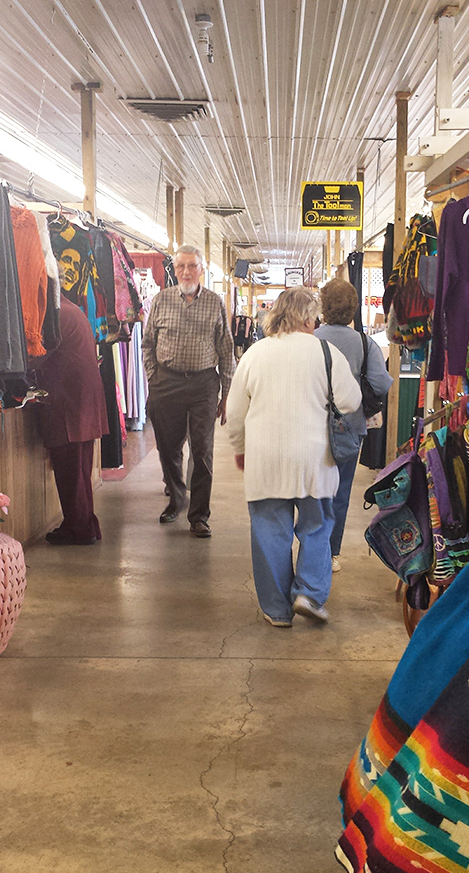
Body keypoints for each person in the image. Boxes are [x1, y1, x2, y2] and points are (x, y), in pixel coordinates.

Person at [226, 287, 361, 626]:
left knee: (270, 530)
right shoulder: (327, 353)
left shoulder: (256, 353)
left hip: (265, 457)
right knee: (317, 526)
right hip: (315, 458)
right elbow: (351, 401)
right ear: (306, 317)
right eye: (314, 317)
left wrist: (241, 448)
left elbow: (235, 412)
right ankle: (309, 594)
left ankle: (276, 610)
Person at [143, 245, 235, 537]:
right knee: (168, 448)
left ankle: (199, 515)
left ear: (201, 270)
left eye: (191, 266)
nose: (186, 271)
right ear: (175, 269)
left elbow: (226, 349)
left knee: (202, 450)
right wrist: (152, 376)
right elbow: (148, 343)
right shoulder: (161, 300)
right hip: (166, 381)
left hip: (203, 385)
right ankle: (177, 496)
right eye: (181, 266)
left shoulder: (215, 303)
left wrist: (226, 393)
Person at [314, 278, 392, 570]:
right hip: (349, 427)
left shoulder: (311, 338)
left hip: (312, 422)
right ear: (353, 309)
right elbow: (381, 383)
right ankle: (332, 552)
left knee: (312, 487)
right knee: (341, 490)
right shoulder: (364, 342)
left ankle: (312, 545)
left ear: (323, 306)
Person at [34, 291, 108, 545]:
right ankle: (84, 523)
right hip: (81, 401)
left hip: (69, 403)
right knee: (79, 470)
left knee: (70, 470)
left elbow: (38, 355)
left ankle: (79, 528)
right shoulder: (71, 310)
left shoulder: (55, 315)